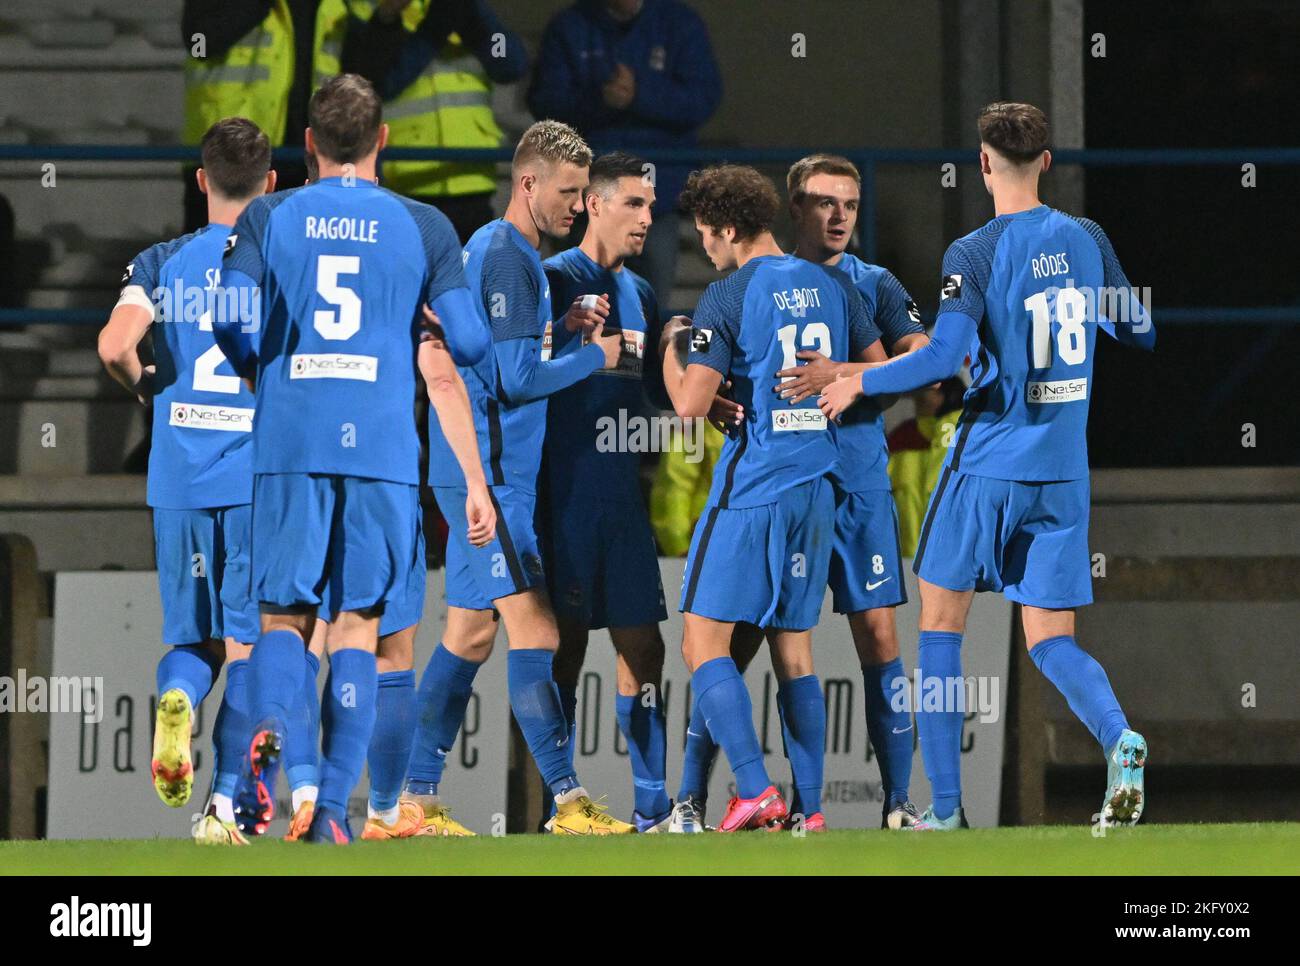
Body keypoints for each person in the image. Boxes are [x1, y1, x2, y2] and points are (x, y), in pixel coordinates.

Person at [820, 102, 1155, 830]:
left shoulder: (973, 252)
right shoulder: (1087, 237)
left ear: (981, 164)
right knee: (1052, 641)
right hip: (1063, 472)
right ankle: (1121, 738)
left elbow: (941, 359)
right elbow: (1141, 327)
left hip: (990, 461)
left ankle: (946, 810)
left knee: (940, 627)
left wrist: (855, 381)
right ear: (1047, 162)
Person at [213, 73, 492, 844]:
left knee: (283, 618)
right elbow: (468, 343)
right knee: (361, 626)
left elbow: (228, 317)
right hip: (380, 450)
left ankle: (278, 743)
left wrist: (257, 359)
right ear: (384, 141)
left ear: (307, 143)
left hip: (292, 438)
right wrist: (431, 313)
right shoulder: (426, 225)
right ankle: (334, 810)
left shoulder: (271, 213)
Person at [400, 120, 637, 836]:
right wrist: (598, 358)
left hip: (492, 473)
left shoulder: (508, 256)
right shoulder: (505, 258)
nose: (577, 206)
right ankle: (568, 803)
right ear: (526, 183)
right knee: (536, 632)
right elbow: (511, 380)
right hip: (491, 478)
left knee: (470, 637)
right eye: (568, 192)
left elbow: (506, 357)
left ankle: (411, 799)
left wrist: (563, 327)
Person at [659, 164, 881, 833]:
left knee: (701, 644)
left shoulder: (727, 294)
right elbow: (884, 367)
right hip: (817, 485)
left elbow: (689, 406)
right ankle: (811, 811)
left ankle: (754, 788)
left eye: (706, 235)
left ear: (728, 228)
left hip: (754, 488)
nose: (706, 249)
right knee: (793, 649)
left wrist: (674, 341)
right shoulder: (831, 285)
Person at [98, 117, 275, 846]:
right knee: (249, 645)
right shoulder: (276, 258)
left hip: (177, 480)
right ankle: (222, 805)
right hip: (250, 476)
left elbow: (114, 346)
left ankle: (176, 698)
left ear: (200, 181)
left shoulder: (162, 260)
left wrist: (146, 388)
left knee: (191, 638)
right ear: (270, 184)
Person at [539, 151, 672, 831]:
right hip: (561, 495)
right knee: (561, 651)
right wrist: (570, 343)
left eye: (651, 206)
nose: (648, 218)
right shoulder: (553, 281)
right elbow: (520, 371)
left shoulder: (644, 295)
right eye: (635, 204)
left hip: (622, 500)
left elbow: (651, 392)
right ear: (595, 203)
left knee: (644, 649)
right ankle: (558, 806)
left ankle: (653, 806)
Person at [527, 0, 723, 302]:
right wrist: (598, 100)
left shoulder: (679, 24)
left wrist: (640, 93)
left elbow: (703, 99)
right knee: (581, 308)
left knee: (649, 303)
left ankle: (641, 350)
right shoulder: (570, 26)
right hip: (587, 197)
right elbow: (544, 103)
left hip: (658, 198)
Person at [323, 0, 530, 242]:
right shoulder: (367, 10)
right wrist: (414, 25)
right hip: (407, 179)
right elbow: (377, 82)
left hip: (471, 179)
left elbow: (510, 63)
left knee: (470, 277)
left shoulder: (462, 10)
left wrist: (478, 13)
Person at [180, 1, 326, 231]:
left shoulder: (336, 6)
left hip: (302, 165)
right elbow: (199, 43)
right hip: (226, 157)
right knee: (212, 260)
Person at [887, 378, 967, 557]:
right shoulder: (905, 435)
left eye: (924, 395)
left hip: (942, 547)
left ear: (945, 394)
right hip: (913, 547)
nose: (919, 400)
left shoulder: (960, 426)